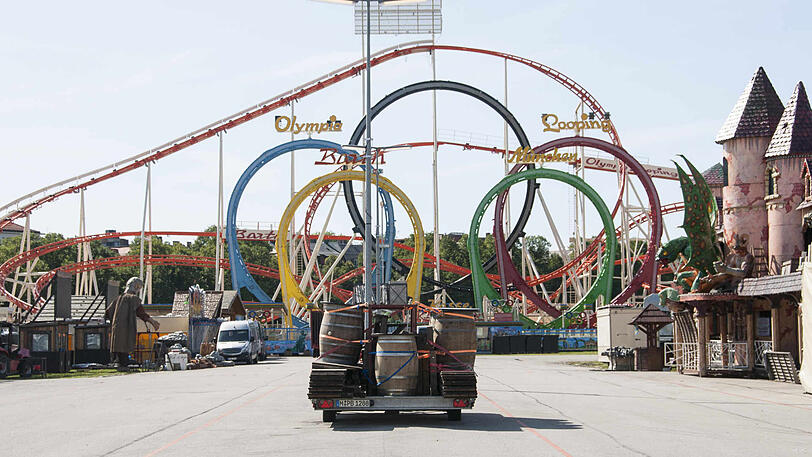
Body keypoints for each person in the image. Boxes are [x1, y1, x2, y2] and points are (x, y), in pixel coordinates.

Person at [105, 277, 160, 367]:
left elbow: (108, 313)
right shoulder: (133, 298)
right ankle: (122, 364)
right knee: (124, 345)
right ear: (137, 287)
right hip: (126, 327)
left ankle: (119, 362)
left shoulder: (119, 298)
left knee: (118, 345)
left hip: (116, 328)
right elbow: (141, 313)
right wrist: (153, 322)